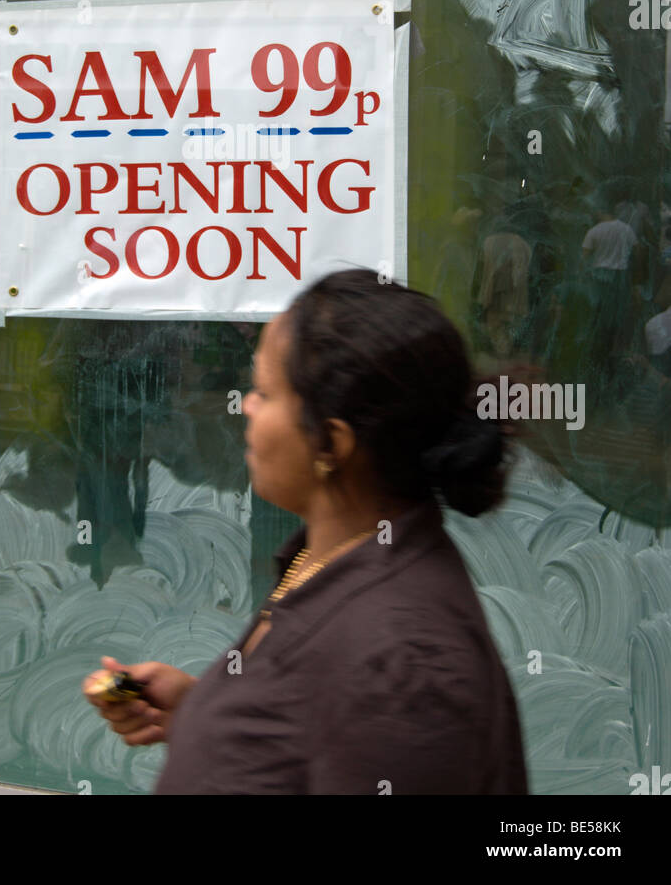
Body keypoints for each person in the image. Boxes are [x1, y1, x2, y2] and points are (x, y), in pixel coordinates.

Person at [83, 269, 528, 795]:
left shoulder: (404, 668)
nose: (245, 405)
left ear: (330, 445)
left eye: (265, 393)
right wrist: (206, 714)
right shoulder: (330, 560)